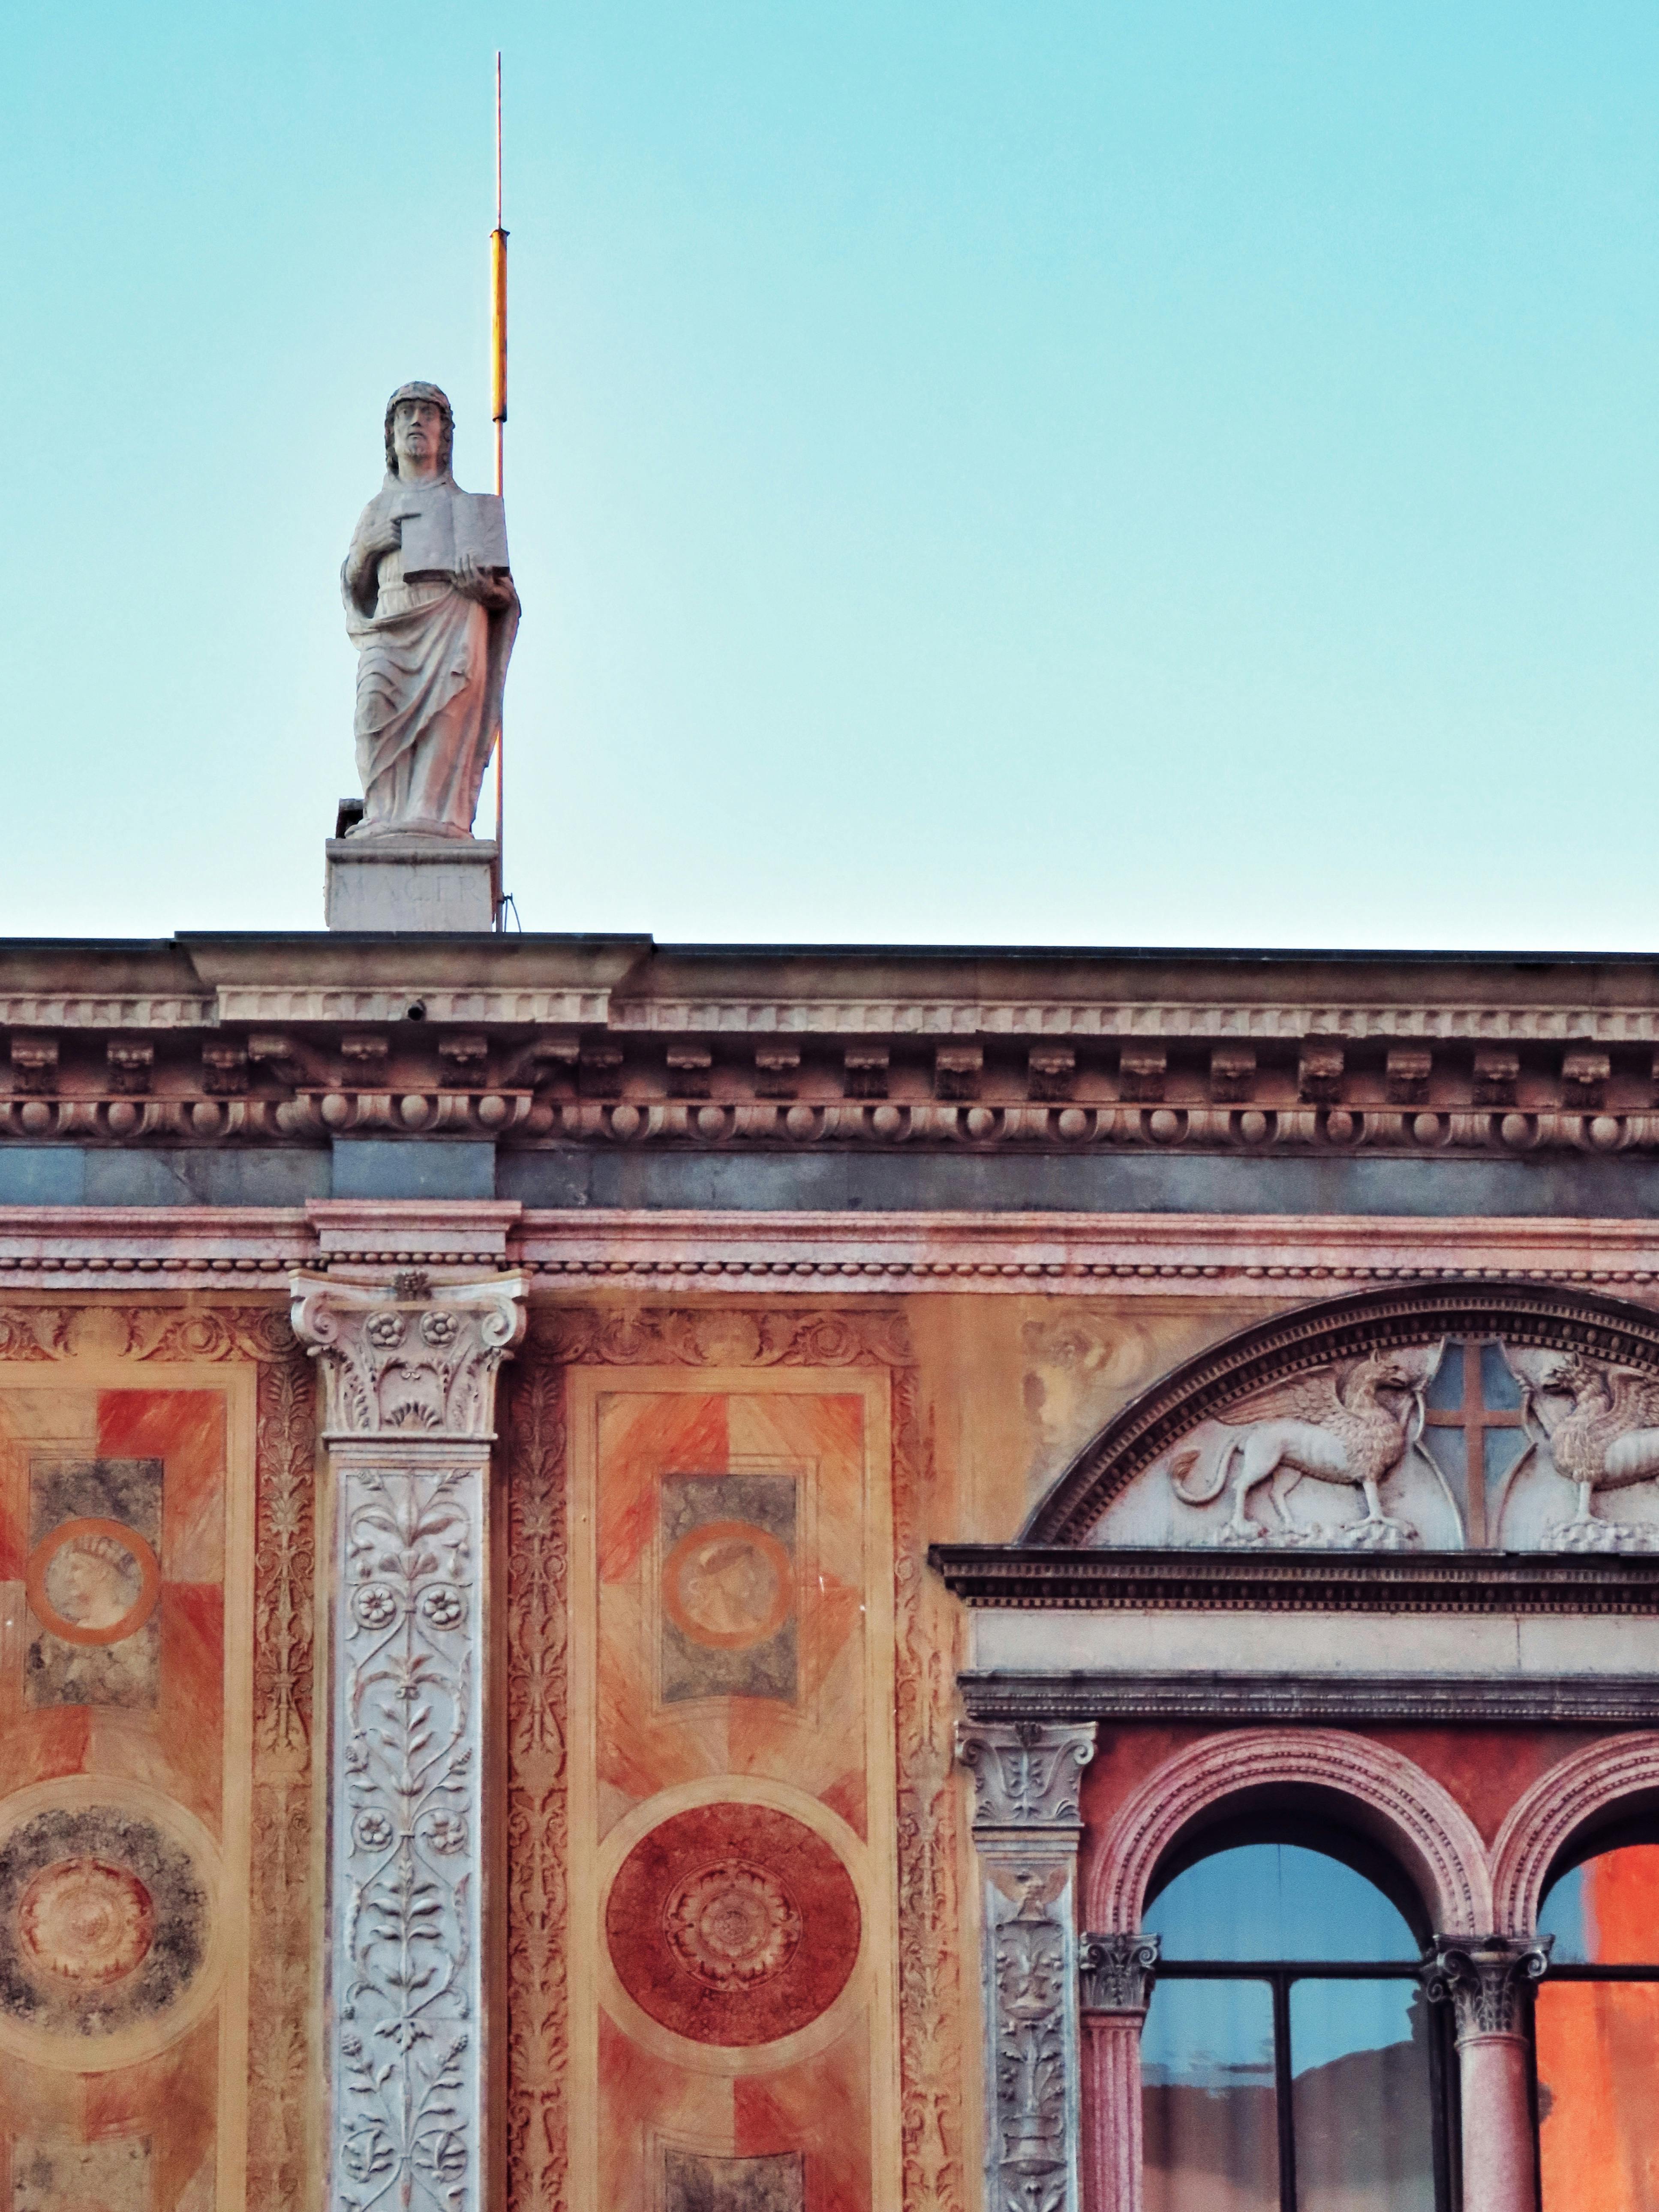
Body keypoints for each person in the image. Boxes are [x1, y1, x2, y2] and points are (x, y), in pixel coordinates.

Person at [341, 383, 520, 839]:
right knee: (371, 710)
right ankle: (381, 812)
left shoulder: (467, 508)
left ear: (445, 435)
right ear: (392, 434)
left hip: (454, 625)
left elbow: (505, 596)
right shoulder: (376, 509)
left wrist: (484, 589)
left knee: (451, 706)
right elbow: (353, 588)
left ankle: (432, 814)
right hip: (390, 628)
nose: (417, 421)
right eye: (406, 415)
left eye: (428, 413)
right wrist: (368, 550)